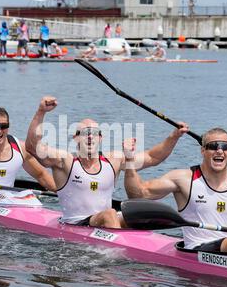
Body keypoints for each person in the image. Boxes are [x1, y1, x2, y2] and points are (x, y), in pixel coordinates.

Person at [25, 96, 189, 228]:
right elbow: (33, 147)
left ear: (101, 138)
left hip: (103, 222)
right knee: (110, 213)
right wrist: (41, 112)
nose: (90, 136)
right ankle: (120, 258)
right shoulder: (65, 161)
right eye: (84, 133)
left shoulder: (114, 160)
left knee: (141, 213)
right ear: (75, 138)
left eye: (94, 133)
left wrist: (174, 136)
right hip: (76, 224)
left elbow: (154, 158)